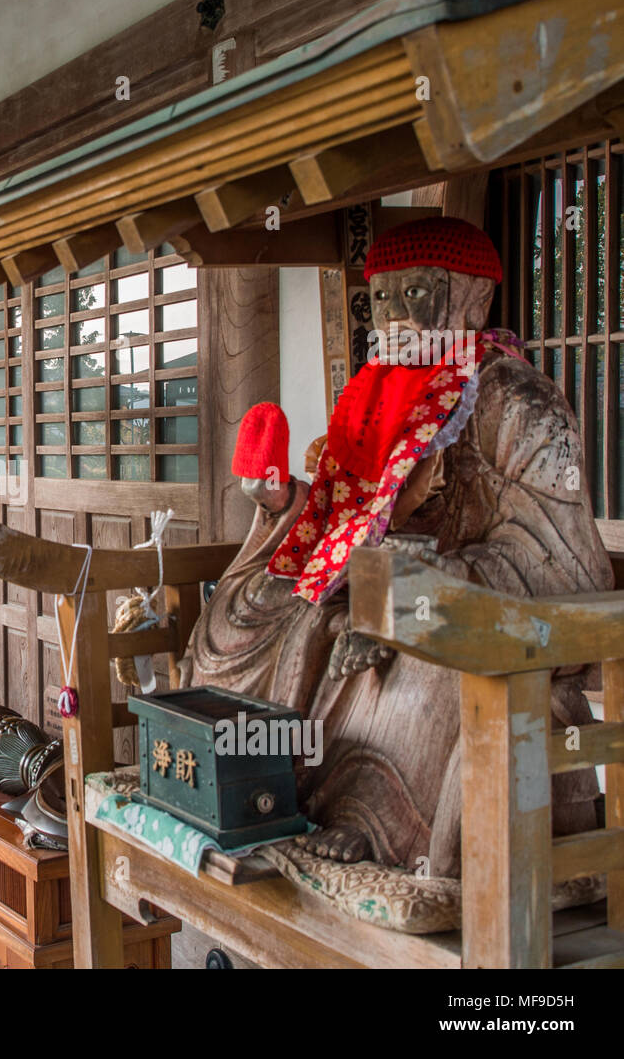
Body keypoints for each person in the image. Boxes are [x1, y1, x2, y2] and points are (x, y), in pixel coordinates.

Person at [181, 218, 606, 878]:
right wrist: (285, 511)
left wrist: (421, 582)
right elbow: (338, 517)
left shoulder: (518, 400)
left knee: (422, 652)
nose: (396, 315)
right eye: (383, 297)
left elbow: (567, 565)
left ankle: (378, 818)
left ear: (473, 297)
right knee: (251, 611)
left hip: (467, 608)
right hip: (372, 587)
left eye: (417, 295)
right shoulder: (377, 396)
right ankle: (258, 783)